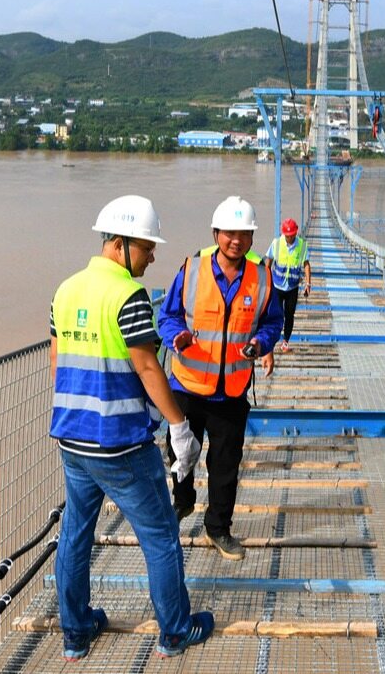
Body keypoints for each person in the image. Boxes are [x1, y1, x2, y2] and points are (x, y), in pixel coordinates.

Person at [49, 195, 214, 660]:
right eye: (146, 247)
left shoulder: (65, 290)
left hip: (72, 437)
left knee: (76, 533)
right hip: (120, 443)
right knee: (160, 535)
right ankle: (176, 631)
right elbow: (146, 367)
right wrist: (179, 427)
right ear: (119, 244)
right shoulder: (128, 296)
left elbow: (58, 361)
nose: (152, 257)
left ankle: (75, 631)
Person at [157, 196, 283, 561]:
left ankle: (218, 528)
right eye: (229, 233)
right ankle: (183, 501)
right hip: (188, 386)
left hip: (231, 392)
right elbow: (167, 316)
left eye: (244, 234)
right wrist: (176, 336)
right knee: (180, 454)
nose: (236, 241)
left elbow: (272, 321)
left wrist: (261, 343)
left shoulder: (262, 278)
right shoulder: (191, 270)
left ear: (252, 238)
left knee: (225, 466)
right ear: (216, 233)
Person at [264, 217, 311, 352]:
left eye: (291, 235)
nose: (289, 238)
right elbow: (268, 262)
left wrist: (308, 283)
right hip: (277, 286)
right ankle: (272, 339)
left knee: (289, 314)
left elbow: (306, 264)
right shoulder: (277, 243)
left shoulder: (302, 245)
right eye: (287, 235)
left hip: (292, 287)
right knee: (276, 314)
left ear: (296, 233)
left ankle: (285, 341)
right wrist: (266, 281)